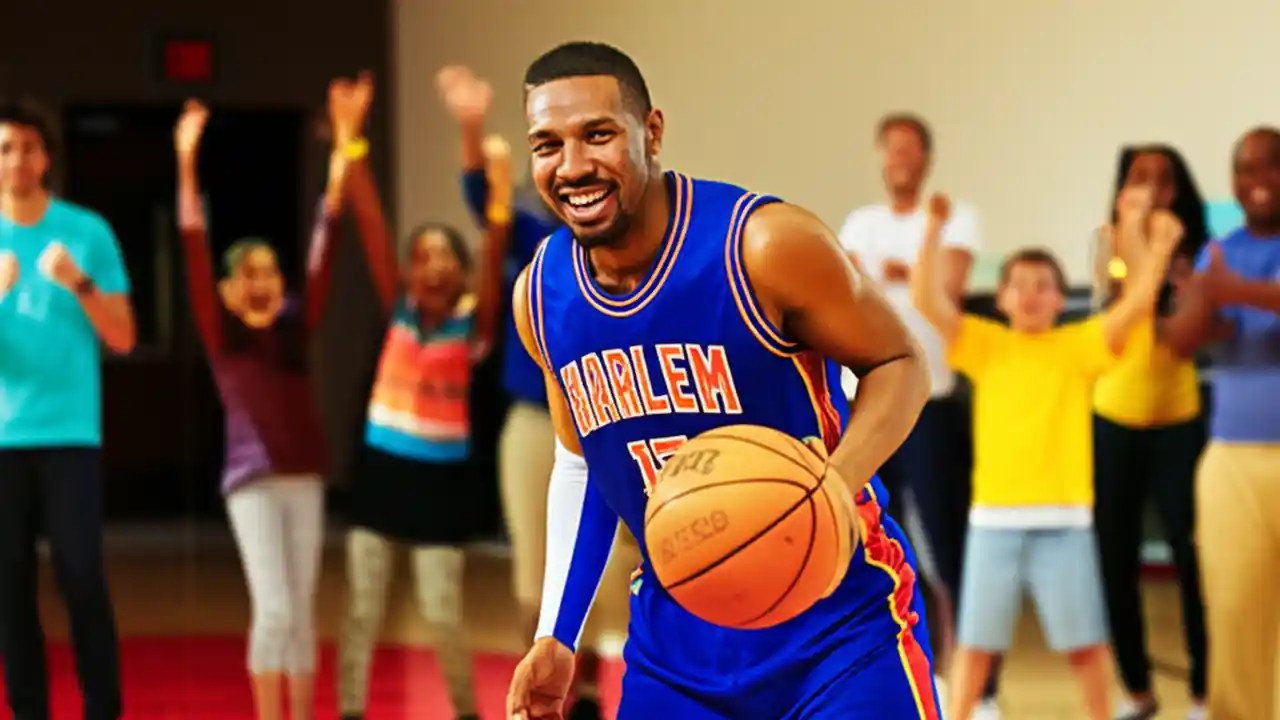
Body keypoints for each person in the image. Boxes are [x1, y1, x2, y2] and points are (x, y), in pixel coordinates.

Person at [506, 41, 939, 720]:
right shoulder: (540, 296)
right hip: (678, 645)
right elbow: (586, 465)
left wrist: (830, 486)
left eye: (598, 135)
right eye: (547, 144)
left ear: (651, 132)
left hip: (836, 626)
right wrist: (556, 636)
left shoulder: (762, 245)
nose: (573, 166)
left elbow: (900, 363)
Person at [913, 189, 1180, 720]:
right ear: (1003, 297)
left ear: (1061, 299)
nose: (1031, 294)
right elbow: (927, 302)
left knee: (1085, 647)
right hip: (994, 522)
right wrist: (932, 230)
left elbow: (1138, 302)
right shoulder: (985, 344)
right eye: (1019, 285)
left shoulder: (1078, 346)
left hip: (1066, 524)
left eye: (1043, 286)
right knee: (974, 646)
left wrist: (1159, 244)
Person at [434, 66, 636, 719]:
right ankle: (546, 696)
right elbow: (475, 190)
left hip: (613, 427)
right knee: (539, 572)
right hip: (534, 425)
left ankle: (594, 691)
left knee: (611, 581)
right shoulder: (538, 244)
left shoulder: (629, 253)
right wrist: (470, 124)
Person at [173, 81, 360, 720]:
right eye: (246, 274)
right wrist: (186, 161)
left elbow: (324, 246)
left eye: (269, 272)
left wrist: (341, 155)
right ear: (227, 290)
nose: (261, 282)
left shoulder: (293, 330)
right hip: (249, 481)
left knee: (303, 612)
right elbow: (194, 244)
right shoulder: (222, 334)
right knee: (274, 608)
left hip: (303, 475)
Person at [334, 73, 508, 720]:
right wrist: (352, 142)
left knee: (442, 614)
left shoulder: (475, 328)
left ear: (460, 274)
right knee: (361, 610)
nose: (432, 265)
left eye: (445, 257)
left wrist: (494, 201)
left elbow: (495, 254)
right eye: (422, 256)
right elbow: (372, 221)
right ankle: (350, 711)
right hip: (380, 478)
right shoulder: (399, 312)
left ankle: (465, 713)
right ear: (408, 272)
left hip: (440, 490)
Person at [0, 100, 135, 720]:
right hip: (3, 440)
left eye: (27, 147)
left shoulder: (87, 231)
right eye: (4, 149)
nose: (16, 160)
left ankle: (103, 709)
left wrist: (80, 283)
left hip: (70, 436)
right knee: (10, 589)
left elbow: (124, 337)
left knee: (81, 575)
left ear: (46, 157)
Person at [837, 112, 980, 689]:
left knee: (946, 535)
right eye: (890, 148)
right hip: (865, 401)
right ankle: (895, 652)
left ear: (926, 158)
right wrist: (889, 274)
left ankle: (966, 673)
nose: (899, 159)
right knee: (873, 526)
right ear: (880, 156)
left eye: (910, 149)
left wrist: (904, 264)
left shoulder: (954, 217)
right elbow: (846, 293)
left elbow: (944, 293)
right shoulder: (860, 223)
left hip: (933, 402)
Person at [1164, 126, 1280, 720]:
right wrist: (1202, 303)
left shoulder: (1225, 268)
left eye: (1271, 167)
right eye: (1246, 169)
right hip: (1232, 459)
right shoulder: (1221, 250)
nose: (1258, 181)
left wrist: (1228, 289)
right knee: (1235, 611)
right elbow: (1183, 341)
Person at [1089, 145, 1209, 720]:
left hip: (1177, 421)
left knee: (1194, 558)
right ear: (1121, 187)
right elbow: (1122, 313)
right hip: (1113, 417)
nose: (1153, 189)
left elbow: (1177, 335)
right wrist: (1140, 240)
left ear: (1179, 188)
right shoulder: (1107, 241)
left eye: (1164, 179)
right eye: (1140, 177)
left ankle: (1204, 693)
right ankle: (1136, 689)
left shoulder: (1200, 250)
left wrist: (1165, 252)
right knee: (1114, 558)